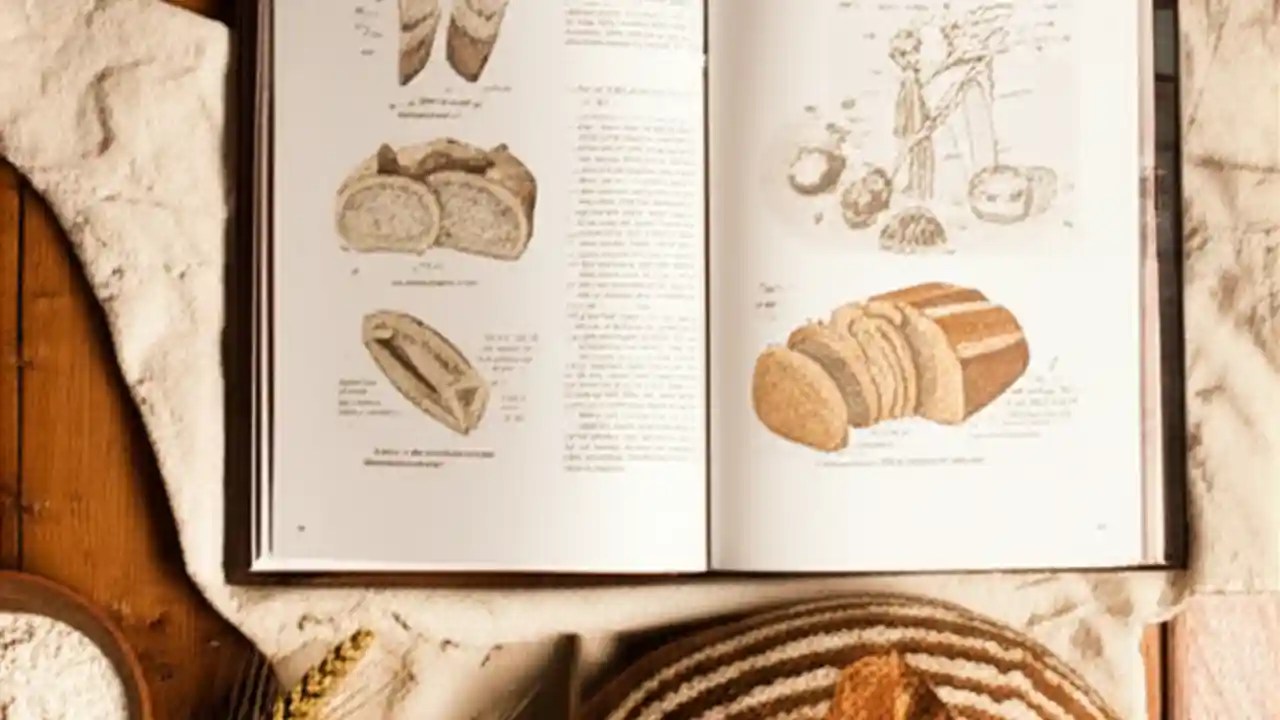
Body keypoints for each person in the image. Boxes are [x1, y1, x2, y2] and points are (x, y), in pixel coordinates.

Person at [890, 28, 934, 201]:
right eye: (907, 54)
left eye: (916, 51)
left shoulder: (912, 78)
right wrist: (921, 133)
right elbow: (908, 114)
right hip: (917, 138)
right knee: (919, 176)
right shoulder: (910, 81)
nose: (914, 58)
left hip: (916, 135)